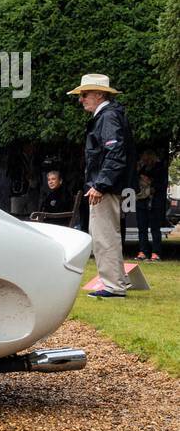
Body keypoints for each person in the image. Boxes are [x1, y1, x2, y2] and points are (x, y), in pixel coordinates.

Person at [70, 74, 135, 299]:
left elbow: (115, 153)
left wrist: (100, 184)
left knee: (103, 236)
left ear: (99, 94)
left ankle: (113, 286)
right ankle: (118, 281)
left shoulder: (107, 117)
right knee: (108, 235)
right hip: (108, 186)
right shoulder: (109, 116)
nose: (81, 99)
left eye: (84, 94)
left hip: (105, 188)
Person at [135, 150, 166, 262]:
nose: (144, 160)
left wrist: (150, 183)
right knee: (141, 228)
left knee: (155, 228)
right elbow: (136, 181)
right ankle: (143, 251)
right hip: (142, 200)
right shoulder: (142, 168)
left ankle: (156, 252)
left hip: (154, 202)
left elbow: (161, 185)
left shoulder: (159, 168)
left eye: (146, 158)